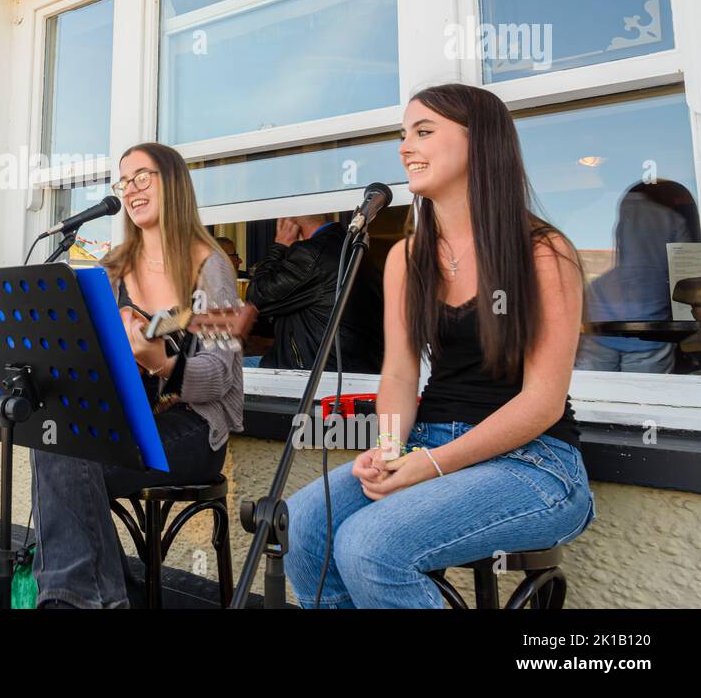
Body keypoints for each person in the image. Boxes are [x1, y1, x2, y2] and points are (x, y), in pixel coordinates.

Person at [283, 83, 595, 608]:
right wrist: (387, 451)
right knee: (303, 528)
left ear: (481, 144)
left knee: (370, 546)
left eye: (423, 132)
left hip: (534, 464)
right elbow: (402, 375)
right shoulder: (408, 257)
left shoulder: (543, 252)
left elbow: (542, 401)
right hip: (428, 443)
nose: (405, 147)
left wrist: (432, 464)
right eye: (404, 135)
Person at [32, 142, 243, 608]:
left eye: (142, 177)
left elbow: (221, 375)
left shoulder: (211, 268)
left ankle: (77, 600)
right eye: (124, 181)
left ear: (173, 183)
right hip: (130, 415)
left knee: (71, 460)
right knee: (52, 441)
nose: (130, 189)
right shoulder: (113, 269)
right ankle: (96, 599)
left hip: (194, 427)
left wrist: (163, 362)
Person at [576, 180, 700, 374]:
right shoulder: (671, 219)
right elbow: (684, 271)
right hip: (649, 331)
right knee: (645, 398)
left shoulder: (591, 212)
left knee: (592, 395)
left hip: (597, 325)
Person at [246, 214, 384, 374]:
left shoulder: (310, 253)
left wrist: (280, 247)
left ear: (291, 227)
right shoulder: (351, 248)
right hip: (354, 368)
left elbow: (256, 297)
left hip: (314, 372)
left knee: (228, 371)